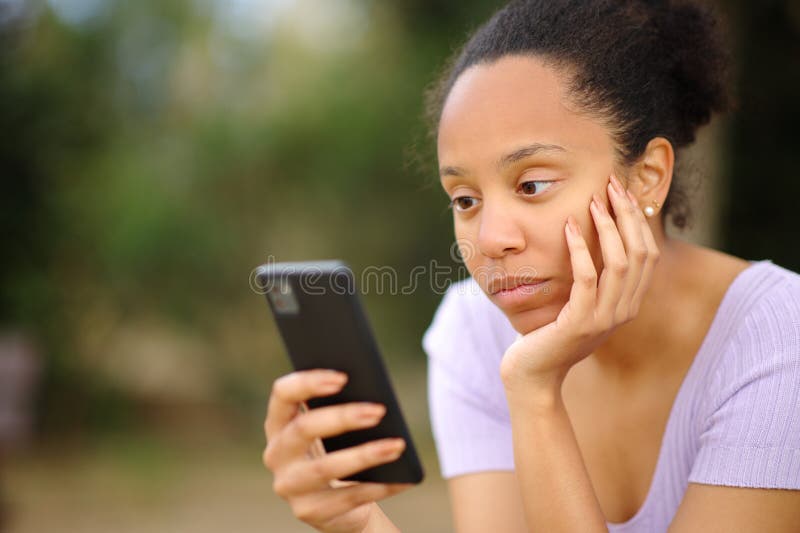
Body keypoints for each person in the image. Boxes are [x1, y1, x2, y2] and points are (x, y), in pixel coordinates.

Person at [261, 1, 800, 531]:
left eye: (532, 185)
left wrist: (536, 396)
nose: (491, 240)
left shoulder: (778, 336)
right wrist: (359, 524)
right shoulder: (473, 330)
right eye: (465, 200)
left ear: (647, 177)